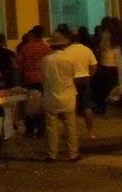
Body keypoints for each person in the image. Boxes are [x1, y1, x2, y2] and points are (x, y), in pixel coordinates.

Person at [41, 31, 81, 161]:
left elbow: (43, 77)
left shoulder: (46, 60)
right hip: (68, 94)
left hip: (51, 95)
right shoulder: (69, 58)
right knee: (70, 126)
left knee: (51, 127)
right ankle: (73, 153)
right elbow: (74, 74)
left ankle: (52, 153)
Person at [61, 26, 99, 139]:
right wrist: (89, 76)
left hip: (72, 79)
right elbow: (94, 66)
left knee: (71, 107)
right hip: (85, 78)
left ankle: (72, 132)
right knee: (87, 106)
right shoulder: (86, 50)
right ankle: (91, 132)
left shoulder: (66, 51)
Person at [16, 26, 51, 138]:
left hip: (29, 79)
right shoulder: (46, 48)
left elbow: (19, 63)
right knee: (41, 105)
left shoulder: (26, 47)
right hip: (42, 79)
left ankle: (30, 130)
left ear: (32, 34)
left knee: (29, 105)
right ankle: (41, 129)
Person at [93, 18, 119, 116]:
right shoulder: (119, 35)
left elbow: (101, 47)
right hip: (116, 63)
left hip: (106, 62)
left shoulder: (106, 34)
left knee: (104, 88)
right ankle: (114, 108)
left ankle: (103, 108)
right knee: (114, 86)